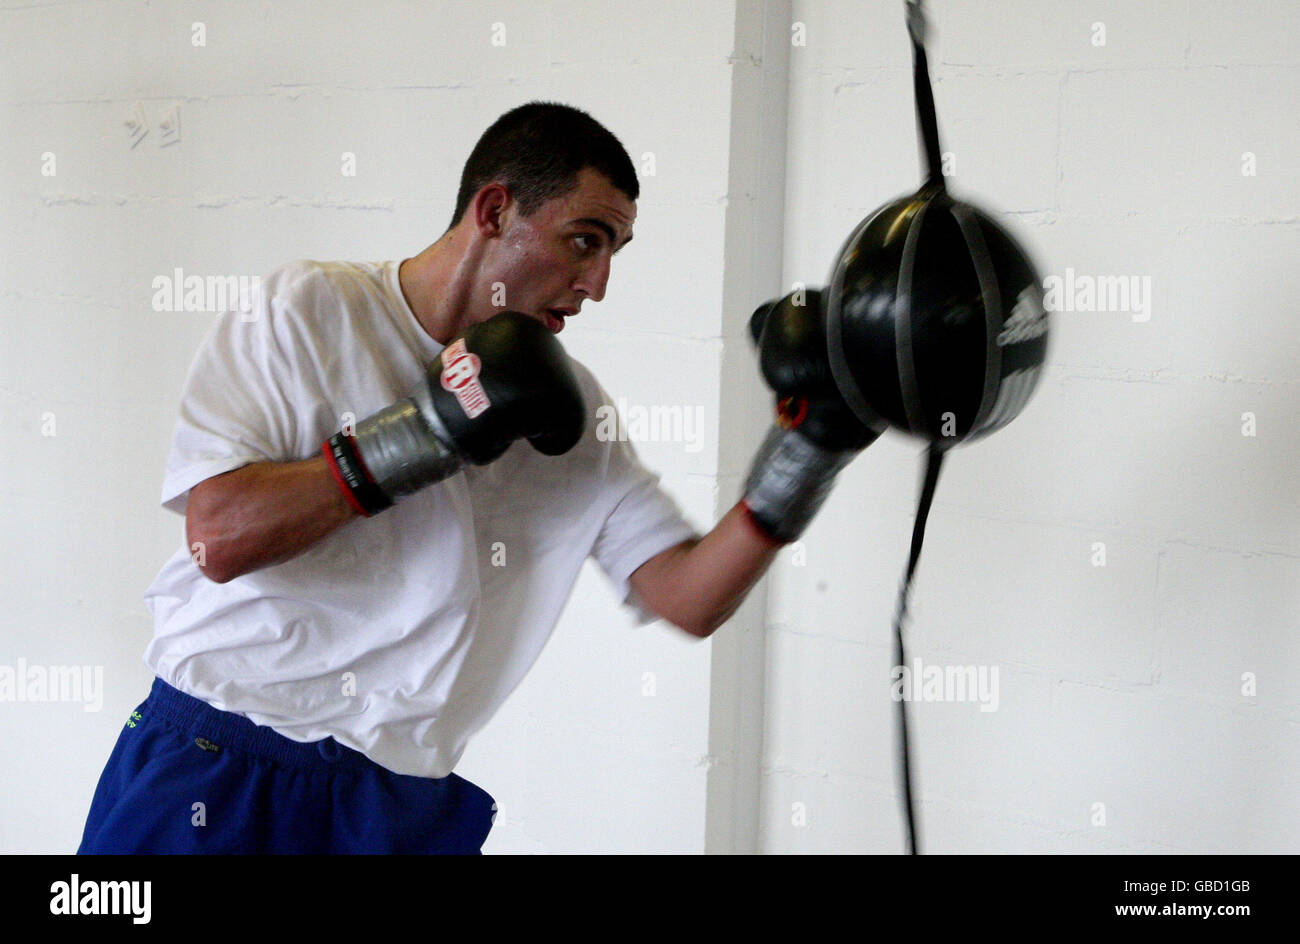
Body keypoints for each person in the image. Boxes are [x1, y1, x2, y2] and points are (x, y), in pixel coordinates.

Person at [76, 101, 877, 855]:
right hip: (222, 762)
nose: (597, 284)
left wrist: (810, 452)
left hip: (394, 804)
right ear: (495, 211)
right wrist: (424, 435)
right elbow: (217, 539)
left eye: (613, 254)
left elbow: (687, 596)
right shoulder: (311, 309)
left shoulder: (572, 409)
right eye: (584, 240)